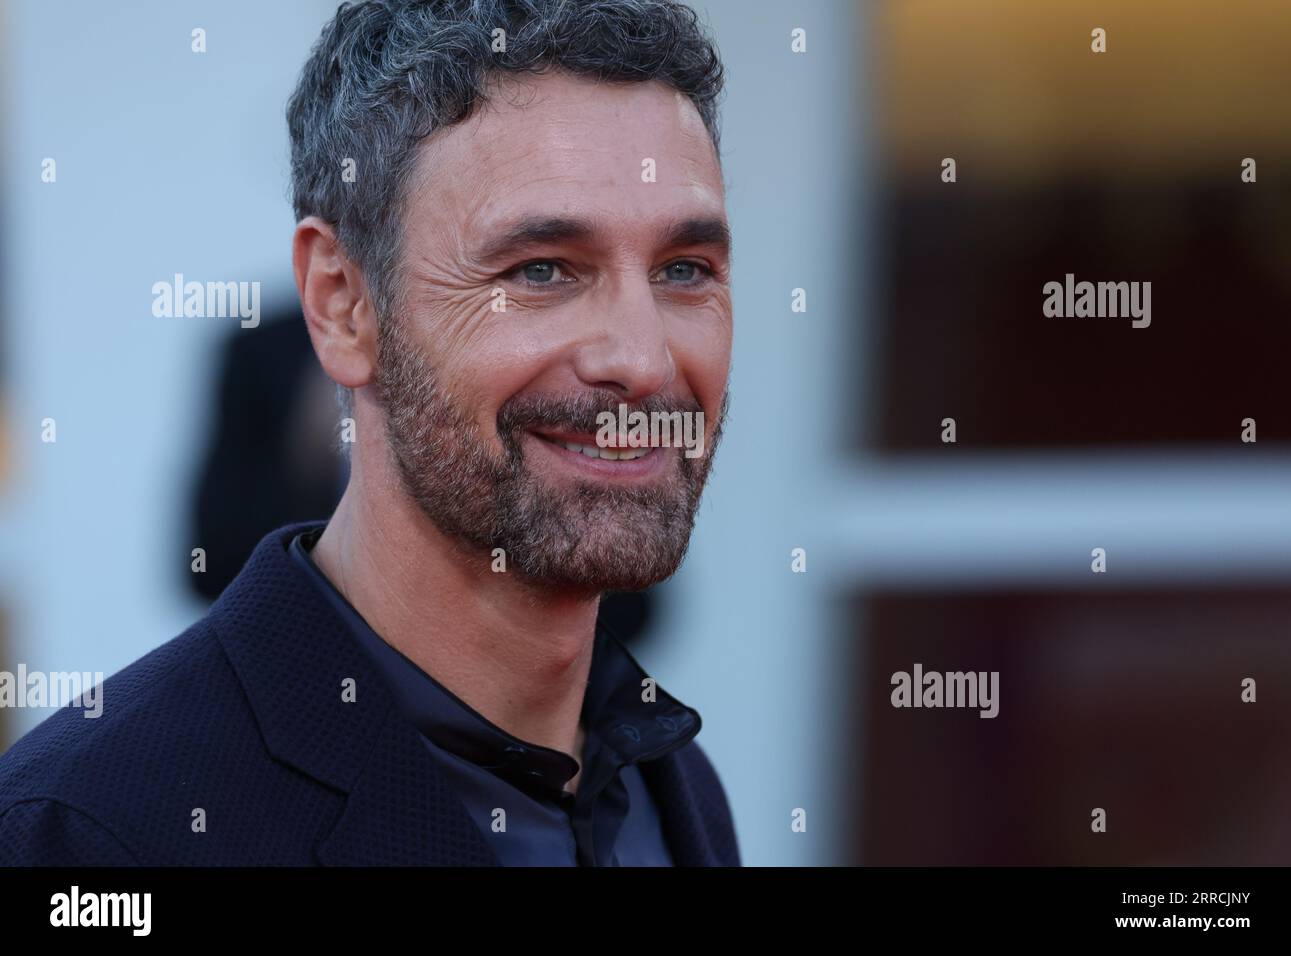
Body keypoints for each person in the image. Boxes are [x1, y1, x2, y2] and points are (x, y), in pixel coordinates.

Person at [0, 0, 738, 866]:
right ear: (343, 304)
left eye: (684, 269)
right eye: (541, 270)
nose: (643, 361)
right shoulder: (86, 837)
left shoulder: (675, 793)